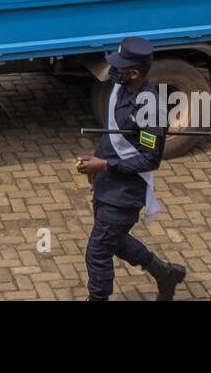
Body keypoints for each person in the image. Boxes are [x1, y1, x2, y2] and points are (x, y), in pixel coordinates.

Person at [76, 37, 189, 301]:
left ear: (134, 73)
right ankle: (164, 273)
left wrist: (105, 164)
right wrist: (98, 160)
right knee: (113, 240)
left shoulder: (150, 110)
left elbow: (150, 160)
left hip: (125, 193)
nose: (114, 70)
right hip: (107, 182)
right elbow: (113, 133)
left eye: (120, 66)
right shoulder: (121, 87)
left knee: (98, 251)